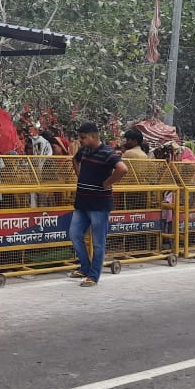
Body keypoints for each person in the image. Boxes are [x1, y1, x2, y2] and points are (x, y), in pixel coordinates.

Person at [69, 122, 128, 287]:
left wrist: (108, 183)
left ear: (94, 137)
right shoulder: (85, 150)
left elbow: (123, 169)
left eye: (83, 138)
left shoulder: (107, 153)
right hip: (82, 201)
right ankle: (85, 267)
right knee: (74, 234)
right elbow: (75, 159)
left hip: (99, 204)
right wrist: (80, 175)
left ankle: (94, 276)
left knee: (98, 241)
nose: (80, 141)